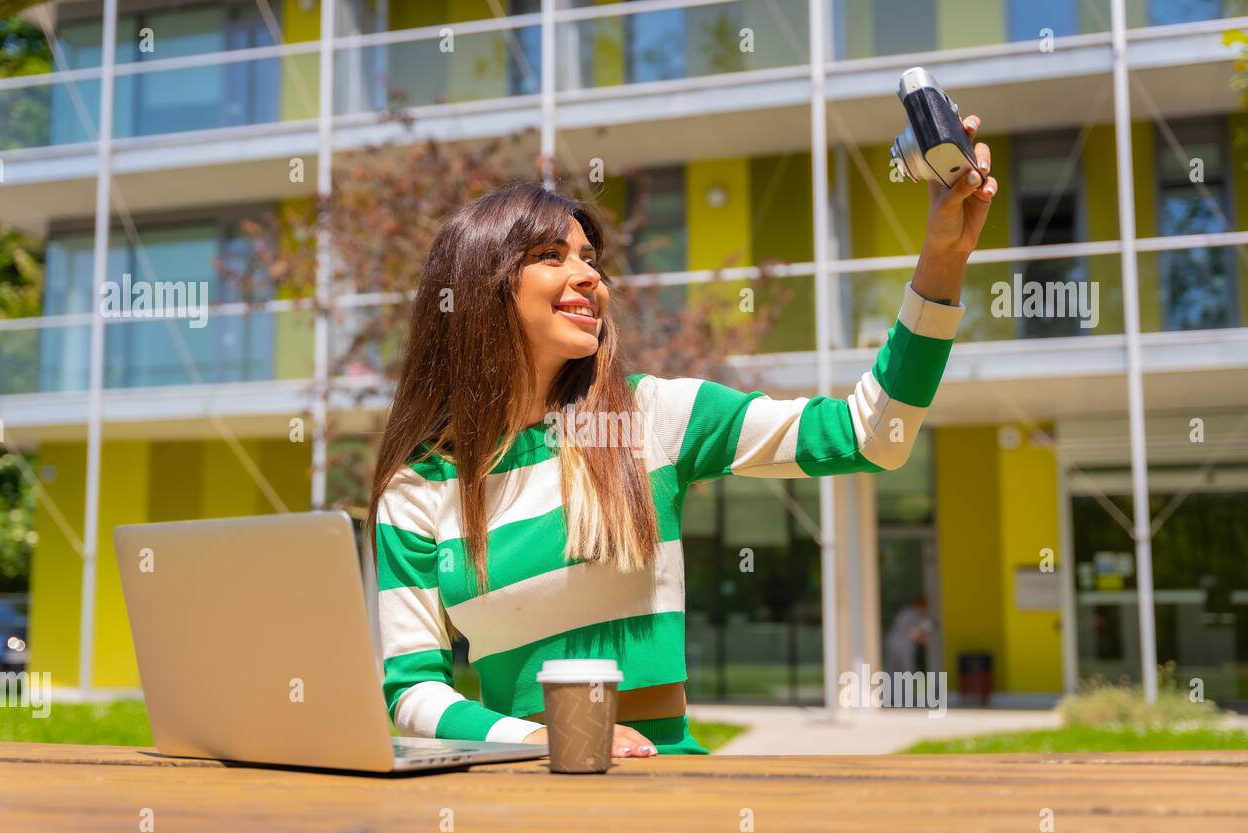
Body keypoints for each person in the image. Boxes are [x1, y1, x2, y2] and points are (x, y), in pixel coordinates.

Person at [367, 120, 999, 757]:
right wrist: (541, 736)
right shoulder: (418, 488)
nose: (589, 277)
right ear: (481, 288)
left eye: (591, 259)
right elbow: (413, 693)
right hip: (522, 790)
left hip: (667, 785)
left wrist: (943, 260)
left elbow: (871, 435)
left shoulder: (654, 416)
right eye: (551, 257)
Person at [884, 594, 934, 705]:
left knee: (893, 672)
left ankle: (888, 698)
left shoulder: (905, 612)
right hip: (904, 646)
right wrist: (926, 641)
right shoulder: (915, 615)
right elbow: (915, 632)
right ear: (921, 605)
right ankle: (910, 698)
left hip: (891, 643)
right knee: (908, 672)